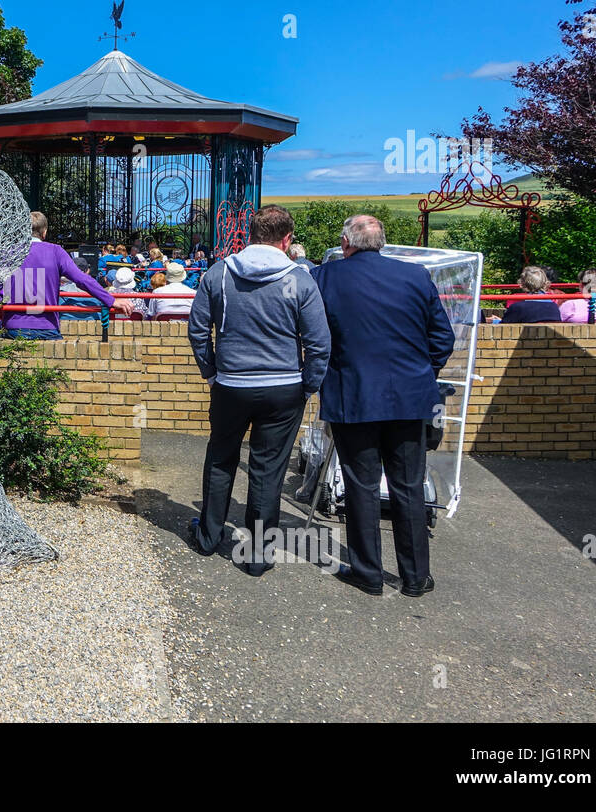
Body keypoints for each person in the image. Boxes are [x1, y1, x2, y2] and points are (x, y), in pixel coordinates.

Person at [313, 215, 453, 597]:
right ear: (383, 242)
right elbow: (442, 337)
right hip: (410, 398)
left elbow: (313, 337)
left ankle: (368, 573)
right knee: (408, 486)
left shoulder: (323, 277)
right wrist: (421, 372)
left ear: (346, 243)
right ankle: (415, 577)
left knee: (361, 485)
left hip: (353, 395)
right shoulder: (416, 277)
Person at [188, 204, 331, 576]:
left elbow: (198, 329)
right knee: (268, 471)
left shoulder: (218, 274)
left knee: (221, 460)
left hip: (231, 385)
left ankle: (208, 537)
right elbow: (318, 342)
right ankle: (256, 556)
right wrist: (308, 384)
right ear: (287, 239)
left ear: (250, 234)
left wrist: (211, 373)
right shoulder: (300, 280)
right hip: (283, 388)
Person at [0, 212, 130, 338]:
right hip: (46, 326)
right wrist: (111, 300)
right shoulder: (55, 251)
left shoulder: (8, 253)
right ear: (44, 232)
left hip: (13, 327)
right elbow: (81, 279)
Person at [489, 265, 560, 324]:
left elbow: (505, 326)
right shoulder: (554, 307)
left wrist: (494, 321)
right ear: (544, 282)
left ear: (523, 283)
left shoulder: (518, 307)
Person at [59, 255, 105, 321]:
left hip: (65, 326)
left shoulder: (62, 291)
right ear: (87, 271)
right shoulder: (98, 290)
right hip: (94, 326)